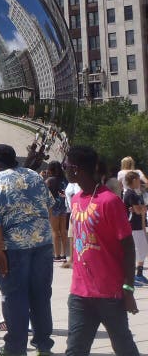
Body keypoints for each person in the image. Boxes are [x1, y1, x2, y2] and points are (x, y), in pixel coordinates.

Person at [0, 144, 54, 356]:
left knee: (14, 297)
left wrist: (0, 254)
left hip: (14, 247)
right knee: (41, 295)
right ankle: (43, 347)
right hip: (43, 244)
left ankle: (15, 348)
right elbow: (49, 204)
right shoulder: (34, 176)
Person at [64, 146, 139, 355]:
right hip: (80, 293)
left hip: (110, 294)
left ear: (76, 169)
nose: (65, 170)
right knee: (75, 349)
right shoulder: (77, 199)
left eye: (66, 166)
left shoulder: (110, 201)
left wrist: (129, 289)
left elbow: (128, 247)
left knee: (123, 346)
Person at [122, 172, 148, 285]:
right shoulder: (130, 194)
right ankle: (130, 277)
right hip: (132, 227)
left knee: (143, 250)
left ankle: (139, 274)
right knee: (135, 252)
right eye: (138, 180)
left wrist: (141, 208)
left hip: (139, 226)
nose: (139, 182)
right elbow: (138, 210)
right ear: (133, 180)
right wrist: (141, 209)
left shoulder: (137, 194)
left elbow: (142, 209)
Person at [45, 161, 69, 262]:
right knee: (63, 230)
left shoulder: (49, 180)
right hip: (63, 206)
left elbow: (44, 193)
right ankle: (64, 254)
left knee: (54, 231)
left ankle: (57, 255)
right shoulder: (65, 180)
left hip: (53, 207)